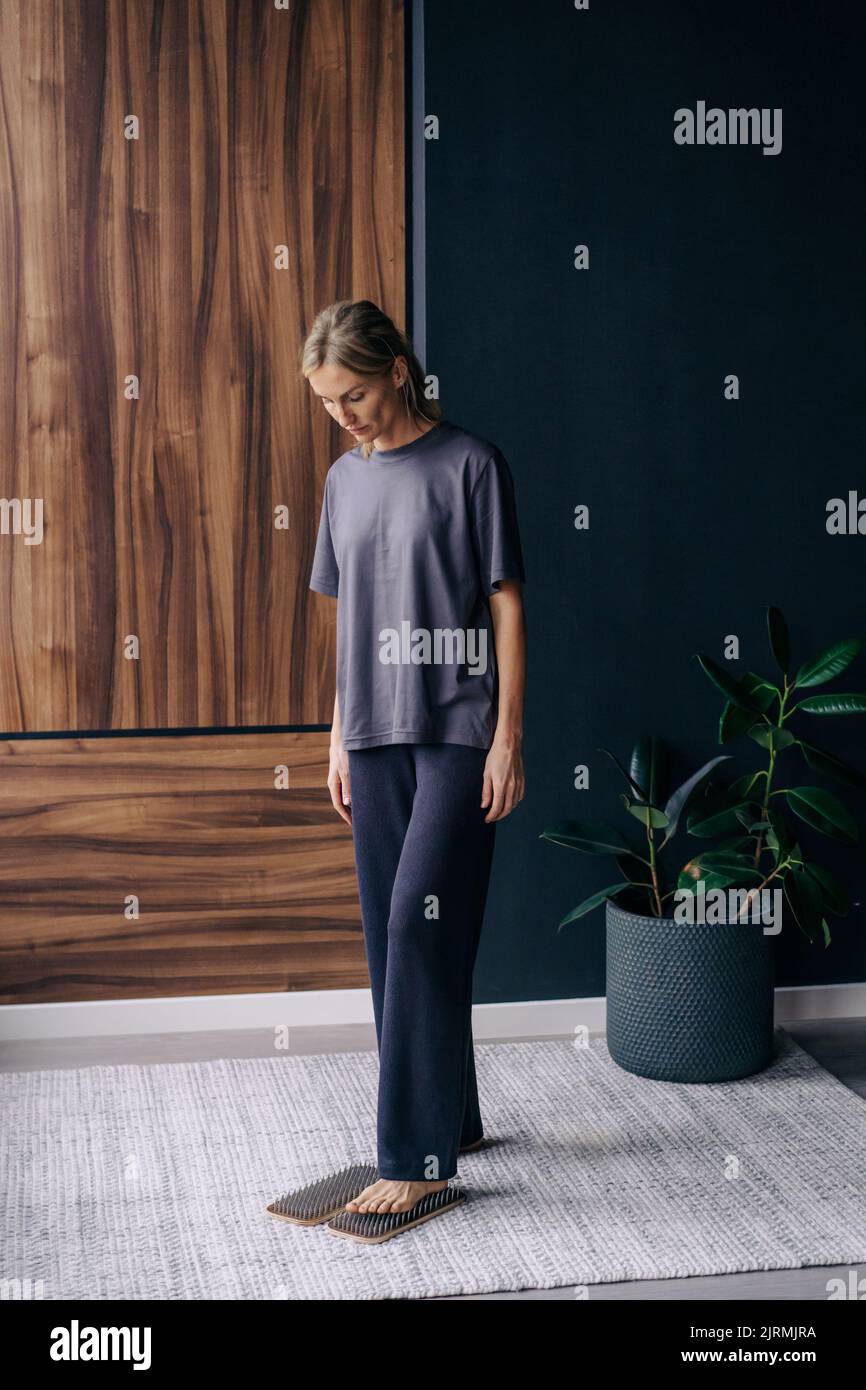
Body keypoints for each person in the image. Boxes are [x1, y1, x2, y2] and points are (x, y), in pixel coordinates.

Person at [302, 299, 527, 1218]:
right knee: (388, 942)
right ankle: (457, 1112)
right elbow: (344, 615)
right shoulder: (341, 483)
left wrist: (510, 735)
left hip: (457, 730)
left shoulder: (472, 464)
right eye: (326, 402)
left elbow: (507, 605)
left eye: (352, 393)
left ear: (397, 366)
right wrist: (335, 732)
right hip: (373, 733)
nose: (343, 414)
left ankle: (417, 1155)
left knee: (418, 926)